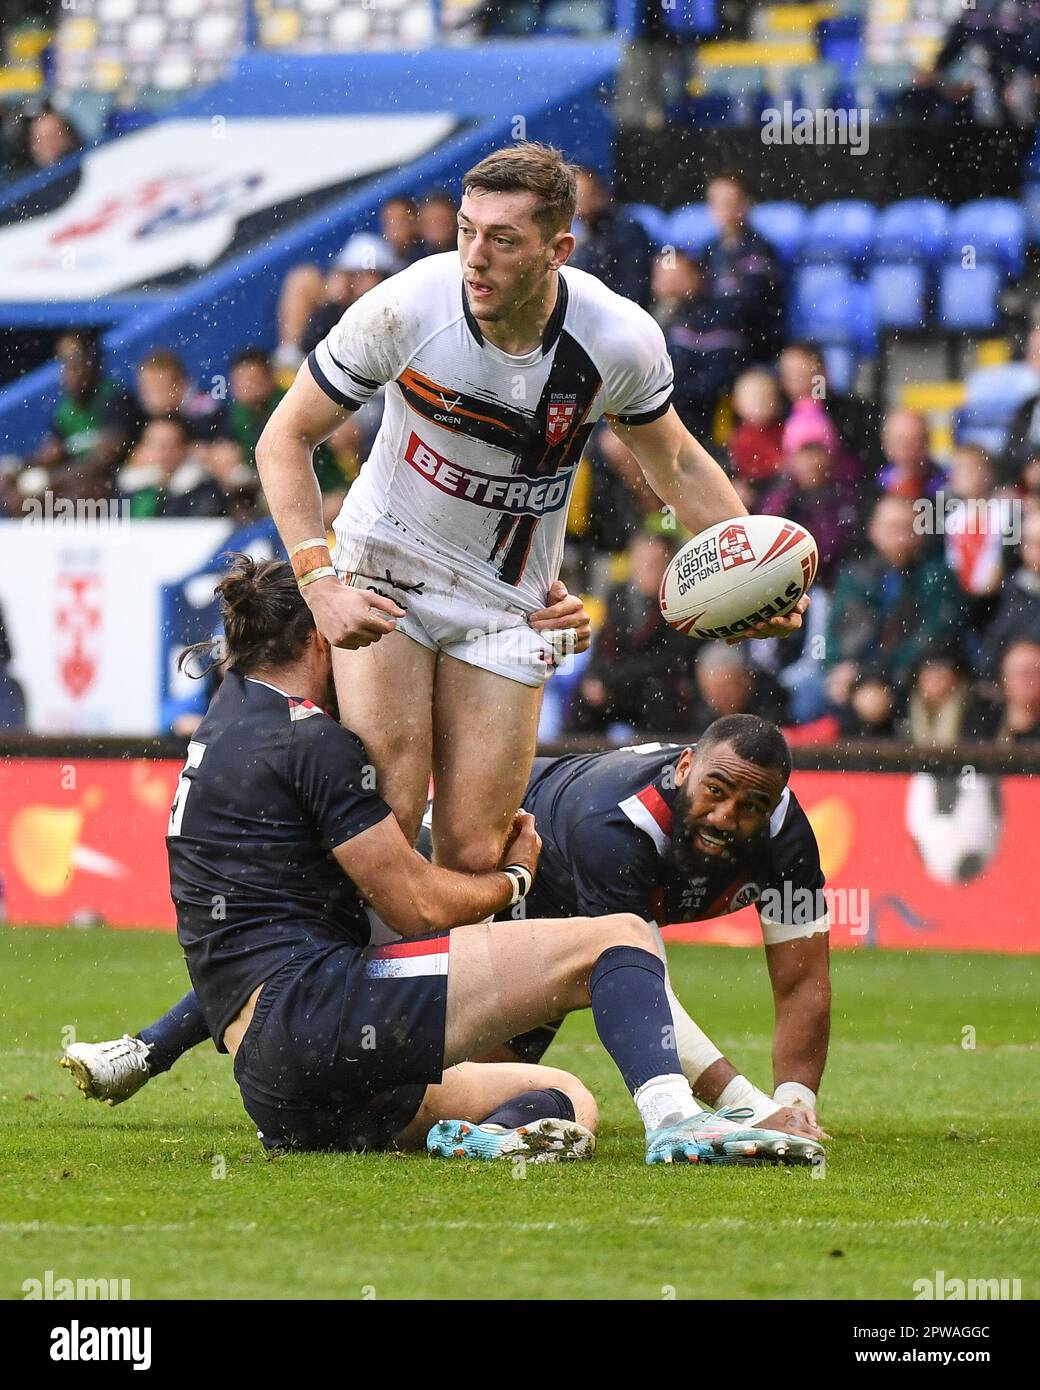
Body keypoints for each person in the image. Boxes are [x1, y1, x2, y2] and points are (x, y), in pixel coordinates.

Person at [63, 558, 822, 1167]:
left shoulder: (230, 713)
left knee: (565, 1097)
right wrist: (516, 877)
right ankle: (676, 1123)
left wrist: (536, 634)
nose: (377, 643)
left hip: (282, 1085)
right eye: (361, 626)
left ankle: (489, 1138)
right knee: (617, 938)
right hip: (318, 1013)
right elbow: (417, 907)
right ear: (320, 634)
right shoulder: (315, 743)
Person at [256, 140, 805, 888]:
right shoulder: (404, 307)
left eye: (502, 239)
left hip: (511, 604)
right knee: (384, 815)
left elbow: (672, 461)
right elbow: (284, 439)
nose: (475, 258)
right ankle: (352, 997)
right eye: (466, 232)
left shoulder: (618, 339)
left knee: (477, 852)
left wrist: (753, 569)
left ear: (559, 249)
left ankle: (453, 995)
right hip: (387, 567)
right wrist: (319, 581)